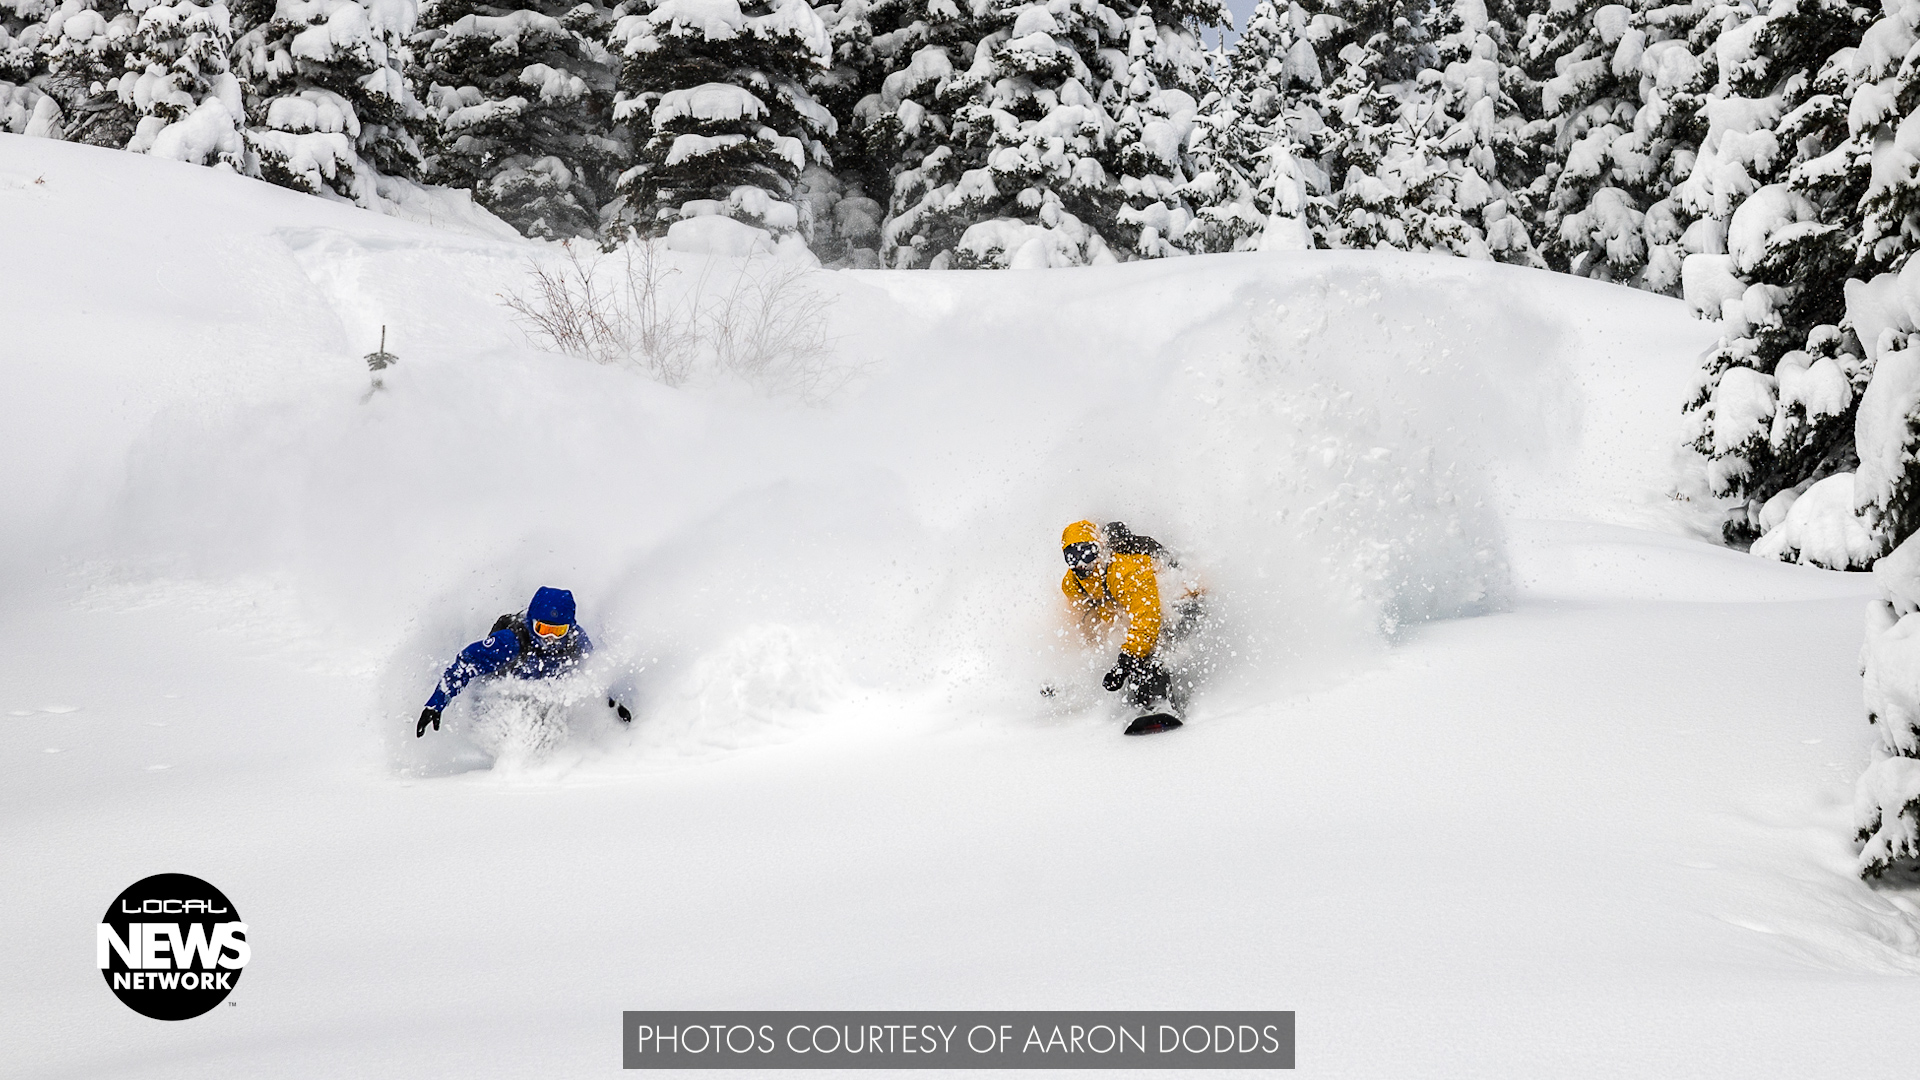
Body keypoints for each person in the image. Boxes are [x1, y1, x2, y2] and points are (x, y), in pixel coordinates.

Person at [416, 586, 629, 737]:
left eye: (558, 631)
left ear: (570, 627)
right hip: (498, 694)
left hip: (544, 693)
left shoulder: (576, 642)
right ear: (531, 622)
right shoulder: (510, 642)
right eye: (543, 630)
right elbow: (465, 664)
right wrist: (436, 704)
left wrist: (613, 703)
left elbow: (593, 674)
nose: (550, 639)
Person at [1059, 520, 1202, 721]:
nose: (1081, 563)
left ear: (1099, 550)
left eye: (1087, 553)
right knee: (1127, 644)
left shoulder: (1124, 571)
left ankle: (1156, 703)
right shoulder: (1073, 584)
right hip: (1140, 613)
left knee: (1150, 648)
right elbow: (1083, 624)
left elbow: (1147, 618)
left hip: (1182, 603)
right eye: (1072, 557)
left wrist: (1126, 661)